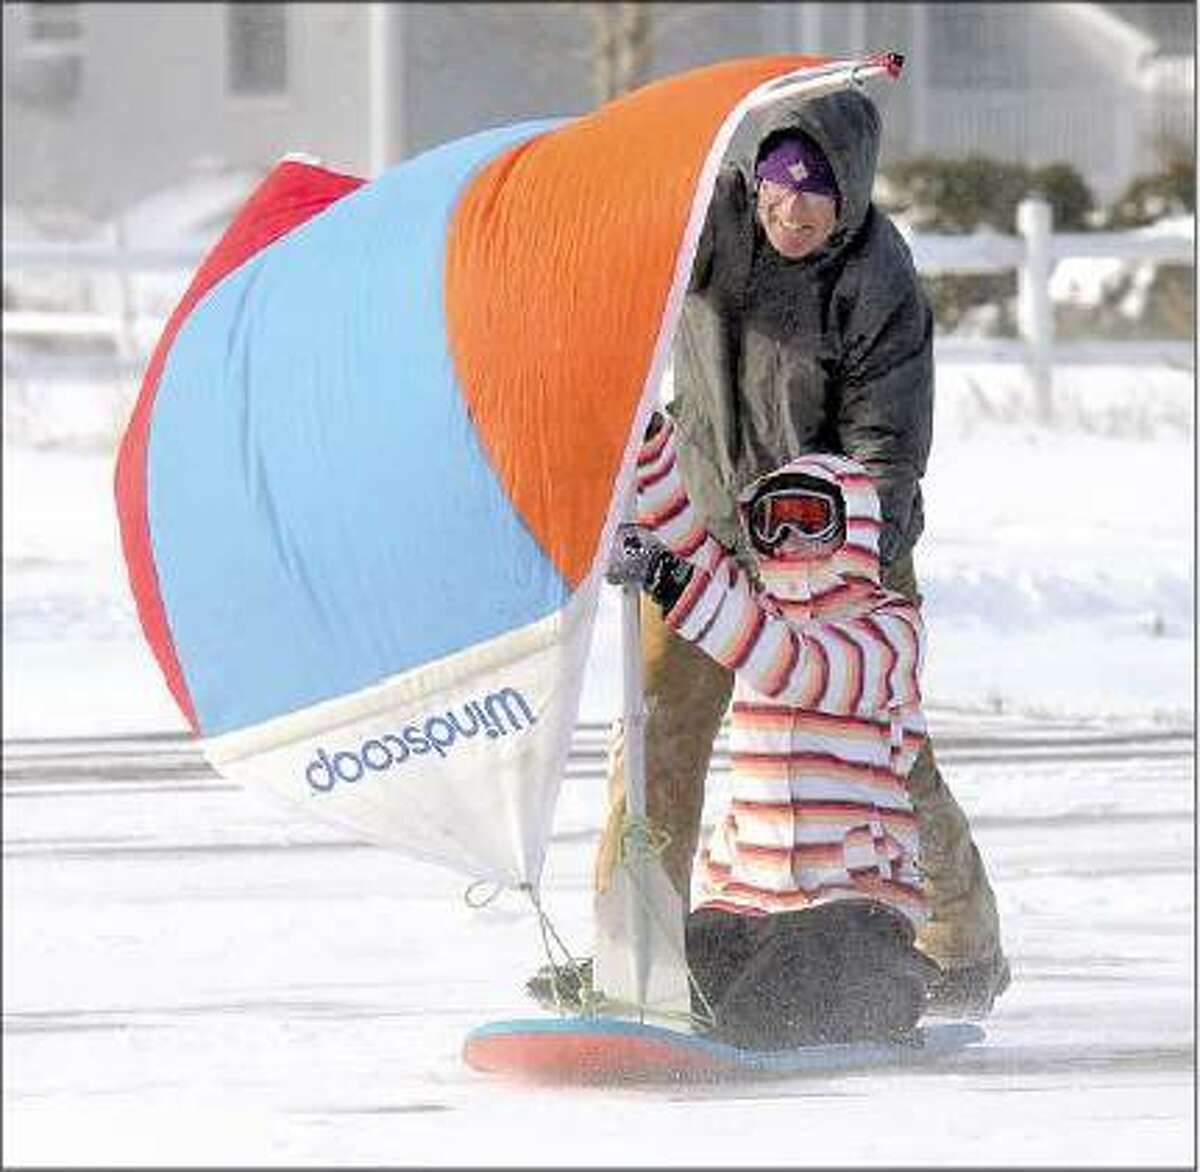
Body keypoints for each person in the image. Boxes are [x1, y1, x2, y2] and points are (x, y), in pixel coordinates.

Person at [530, 85, 1008, 1019]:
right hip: (706, 529)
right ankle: (636, 953)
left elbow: (887, 450)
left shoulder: (879, 281)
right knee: (660, 726)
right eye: (779, 184)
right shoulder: (717, 227)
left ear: (854, 193)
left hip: (840, 545)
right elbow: (632, 235)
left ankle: (960, 944)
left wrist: (839, 567)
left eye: (816, 192)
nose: (792, 208)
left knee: (879, 751)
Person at [602, 412, 941, 1046]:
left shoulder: (889, 630)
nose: (788, 537)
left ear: (856, 529)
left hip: (851, 903)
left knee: (783, 985)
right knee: (682, 966)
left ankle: (872, 998)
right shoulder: (754, 611)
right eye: (772, 520)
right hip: (748, 898)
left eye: (810, 521)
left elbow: (795, 666)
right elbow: (686, 547)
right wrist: (649, 446)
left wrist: (673, 586)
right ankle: (645, 1009)